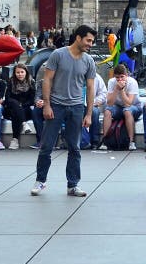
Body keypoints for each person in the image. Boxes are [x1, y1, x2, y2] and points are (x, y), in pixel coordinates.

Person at [31, 25, 97, 197]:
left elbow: (90, 88)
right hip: (56, 106)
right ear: (78, 38)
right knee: (46, 146)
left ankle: (73, 185)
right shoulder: (58, 54)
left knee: (74, 148)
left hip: (76, 107)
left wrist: (88, 113)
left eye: (92, 41)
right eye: (88, 40)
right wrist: (46, 105)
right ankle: (40, 181)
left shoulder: (89, 60)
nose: (90, 44)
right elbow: (47, 80)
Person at [100, 64, 142, 151]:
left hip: (134, 107)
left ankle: (131, 141)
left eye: (122, 77)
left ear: (126, 76)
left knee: (127, 111)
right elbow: (110, 103)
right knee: (107, 111)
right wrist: (116, 89)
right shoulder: (112, 82)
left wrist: (122, 90)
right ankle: (105, 141)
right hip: (118, 107)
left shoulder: (132, 82)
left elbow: (128, 103)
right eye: (117, 77)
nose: (119, 80)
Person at [7, 63, 38, 145]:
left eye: (22, 72)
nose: (20, 74)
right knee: (14, 104)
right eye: (17, 72)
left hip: (25, 108)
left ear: (26, 72)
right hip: (11, 108)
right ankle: (24, 124)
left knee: (16, 113)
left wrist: (22, 105)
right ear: (14, 73)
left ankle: (15, 140)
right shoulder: (11, 81)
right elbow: (8, 98)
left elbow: (32, 99)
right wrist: (17, 104)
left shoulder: (31, 82)